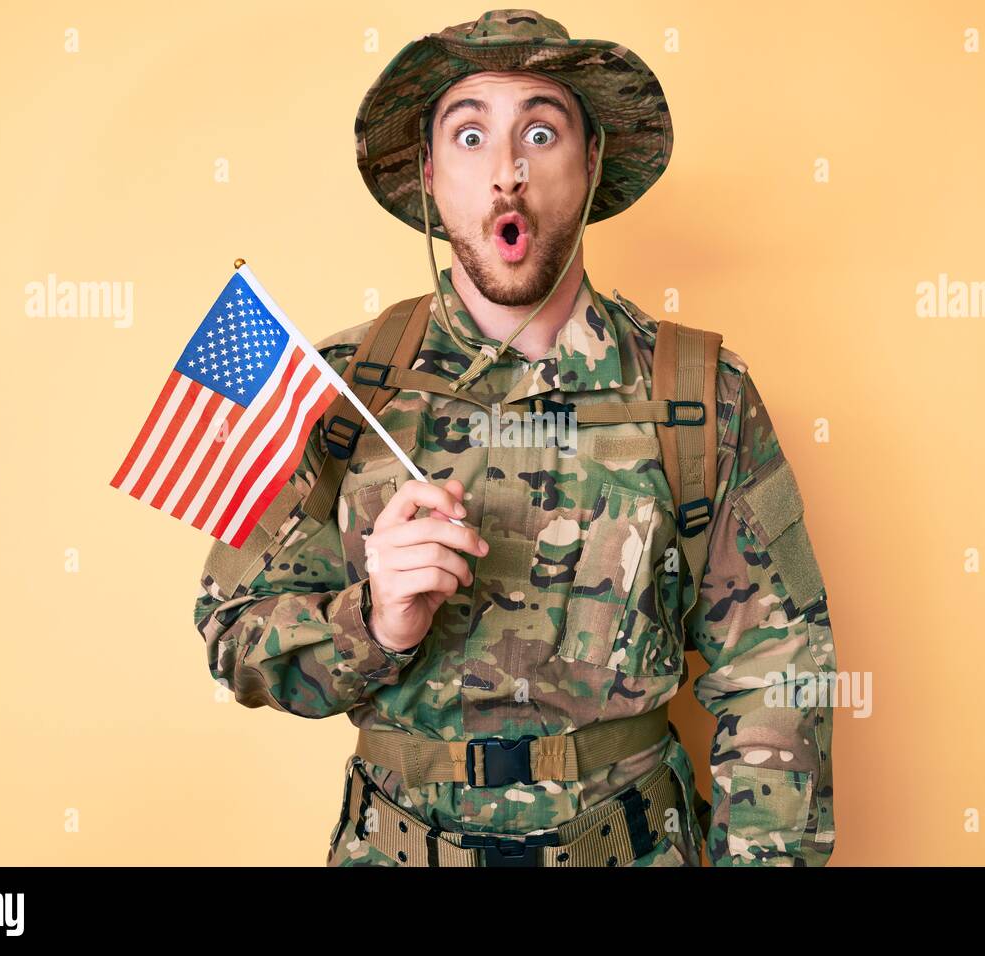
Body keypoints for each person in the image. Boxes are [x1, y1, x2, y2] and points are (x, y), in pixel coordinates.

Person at [194, 8, 838, 867]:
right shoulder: (340, 388)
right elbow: (234, 636)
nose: (507, 172)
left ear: (592, 160)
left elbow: (777, 674)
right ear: (427, 173)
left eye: (541, 130)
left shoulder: (699, 394)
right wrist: (374, 623)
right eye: (469, 136)